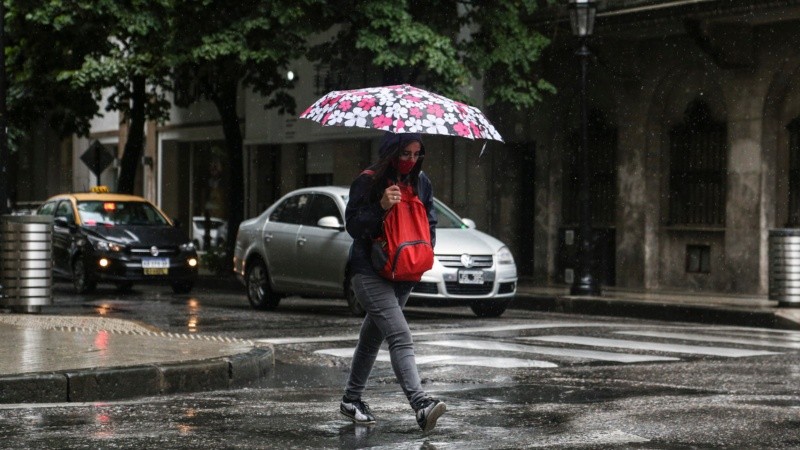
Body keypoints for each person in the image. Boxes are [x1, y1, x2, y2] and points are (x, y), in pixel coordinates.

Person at [340, 132, 446, 432]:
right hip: (369, 271)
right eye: (405, 154)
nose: (410, 160)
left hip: (404, 272)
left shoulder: (421, 182)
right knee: (400, 336)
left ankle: (351, 399)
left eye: (416, 154)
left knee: (372, 338)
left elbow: (431, 221)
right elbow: (354, 226)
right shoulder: (368, 180)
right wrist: (381, 207)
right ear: (391, 152)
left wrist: (422, 249)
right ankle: (421, 404)